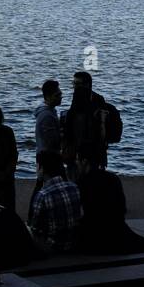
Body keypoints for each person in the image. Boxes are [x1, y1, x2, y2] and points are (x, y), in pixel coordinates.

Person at [75, 156, 144, 255]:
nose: (77, 164)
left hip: (94, 231)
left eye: (78, 161)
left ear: (84, 161)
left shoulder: (82, 181)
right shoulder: (113, 178)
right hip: (118, 229)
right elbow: (122, 209)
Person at [61, 71, 112, 179]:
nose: (75, 86)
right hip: (78, 151)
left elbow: (101, 128)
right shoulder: (79, 98)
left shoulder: (95, 101)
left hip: (91, 152)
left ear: (87, 84)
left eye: (78, 83)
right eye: (74, 83)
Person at [28, 155, 81, 254]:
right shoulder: (74, 187)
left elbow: (33, 225)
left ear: (42, 169)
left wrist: (38, 183)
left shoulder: (43, 195)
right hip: (73, 244)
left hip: (52, 247)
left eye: (37, 166)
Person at [29, 80, 63, 219]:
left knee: (41, 185)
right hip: (48, 157)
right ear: (48, 97)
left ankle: (35, 215)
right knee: (43, 185)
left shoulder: (49, 112)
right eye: (57, 95)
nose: (60, 96)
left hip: (45, 155)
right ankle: (33, 215)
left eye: (60, 93)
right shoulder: (47, 115)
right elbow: (53, 140)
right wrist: (63, 133)